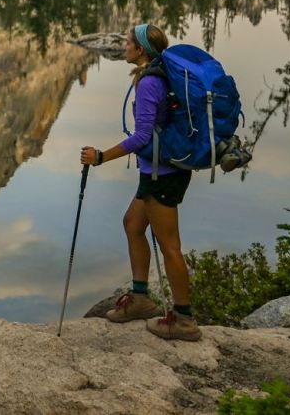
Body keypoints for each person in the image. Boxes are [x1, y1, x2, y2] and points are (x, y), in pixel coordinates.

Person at [79, 23, 202, 341]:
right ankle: (141, 299)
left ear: (142, 50)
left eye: (129, 42)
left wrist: (102, 156)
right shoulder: (153, 76)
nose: (124, 46)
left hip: (164, 174)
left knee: (170, 246)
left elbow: (142, 136)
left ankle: (185, 320)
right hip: (156, 171)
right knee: (133, 224)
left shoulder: (149, 83)